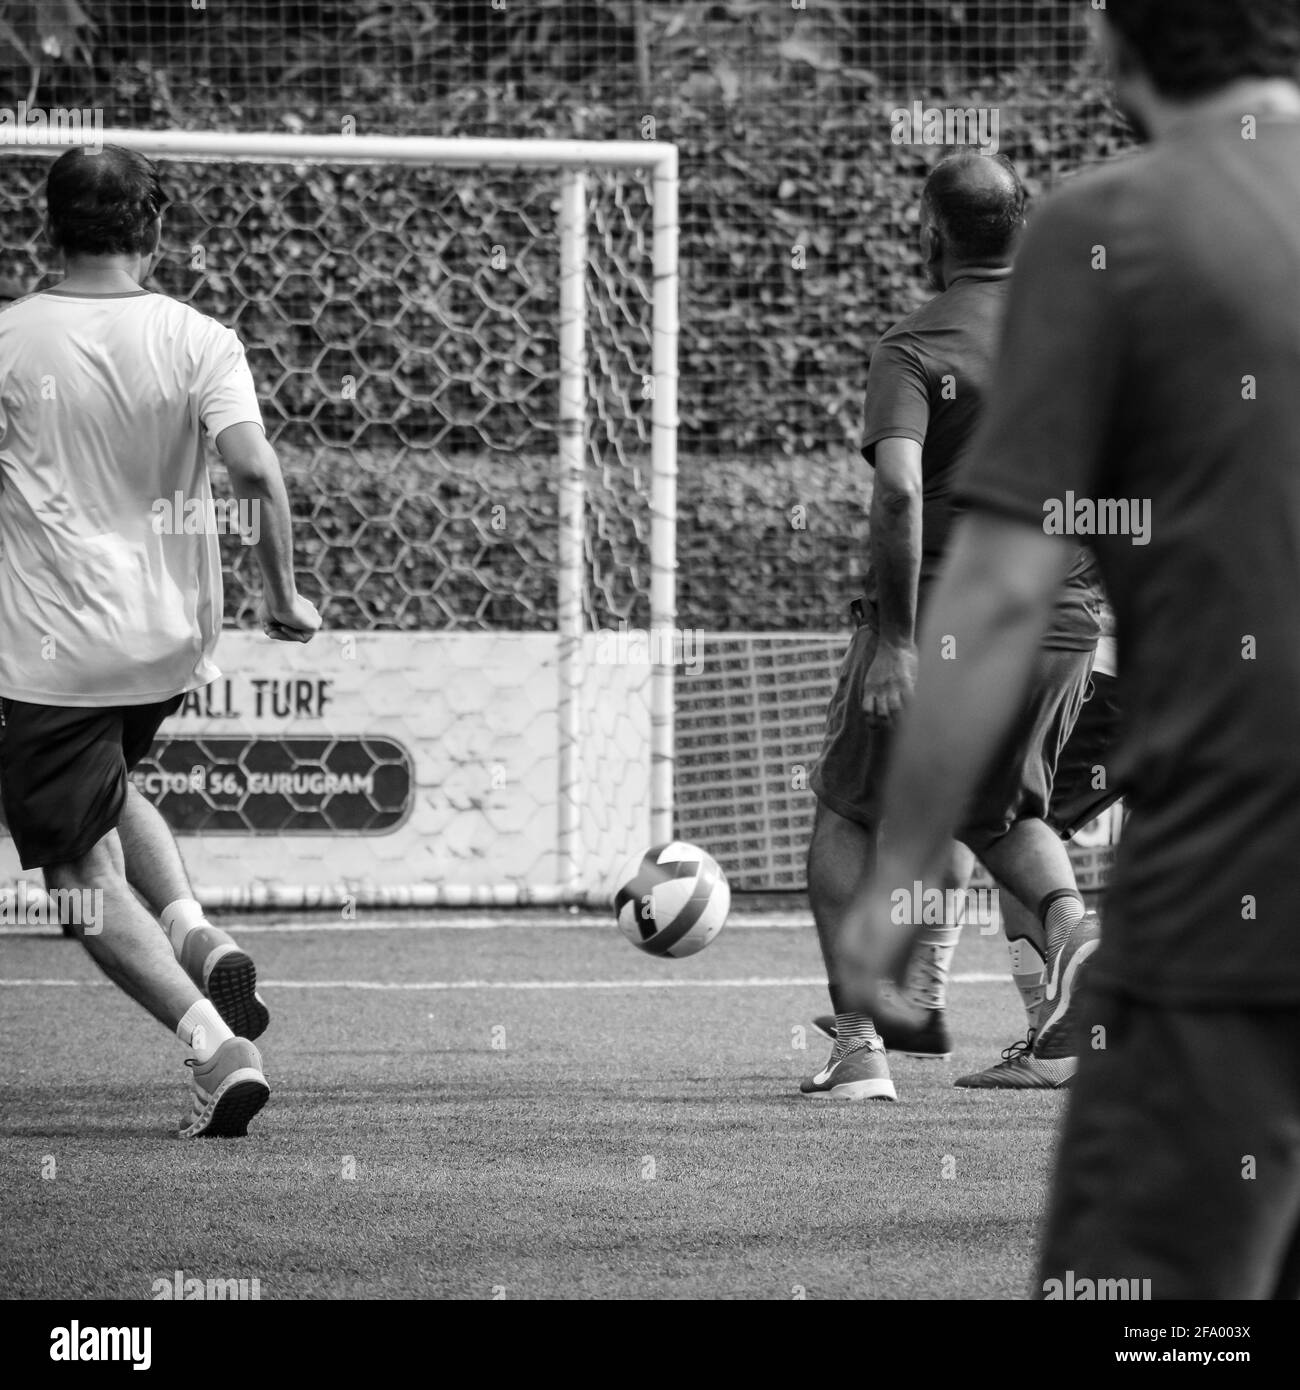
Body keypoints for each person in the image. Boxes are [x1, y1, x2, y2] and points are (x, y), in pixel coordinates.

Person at [839, 0, 1300, 1297]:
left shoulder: (1111, 232)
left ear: (1117, 53)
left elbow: (989, 593)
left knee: (1151, 1301)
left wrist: (900, 880)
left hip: (1240, 876)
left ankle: (1066, 934)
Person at [0, 145, 321, 1138]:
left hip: (49, 653)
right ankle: (189, 924)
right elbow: (258, 475)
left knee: (75, 879)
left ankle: (212, 1047)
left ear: (44, 224)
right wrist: (284, 593)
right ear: (153, 228)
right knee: (102, 789)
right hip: (166, 647)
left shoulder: (9, 339)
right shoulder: (200, 338)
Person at [803, 152, 1104, 1101]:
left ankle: (861, 1051)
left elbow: (898, 491)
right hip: (1060, 623)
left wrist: (893, 639)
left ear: (932, 233)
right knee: (1001, 813)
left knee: (848, 814)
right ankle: (1073, 935)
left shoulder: (915, 344)